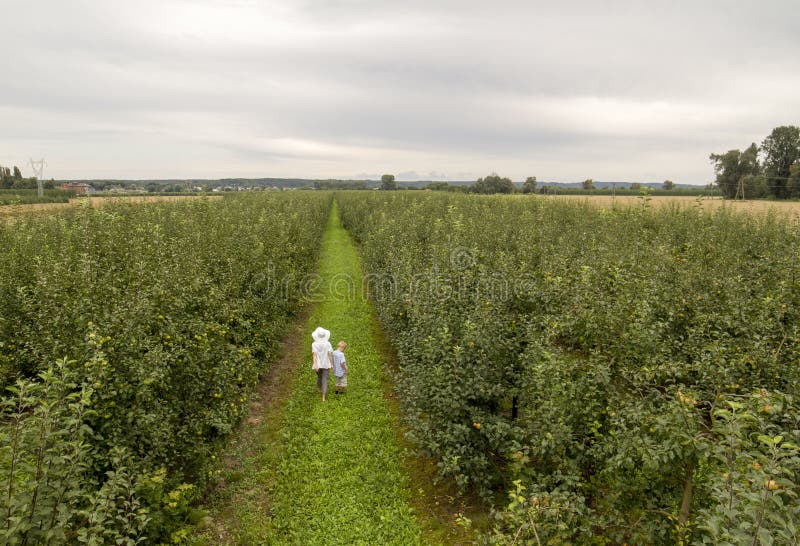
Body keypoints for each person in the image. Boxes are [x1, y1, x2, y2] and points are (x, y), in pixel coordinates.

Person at [311, 326, 333, 402]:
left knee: (319, 377)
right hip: (326, 364)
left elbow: (314, 355)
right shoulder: (328, 344)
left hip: (318, 365)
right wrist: (332, 364)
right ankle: (323, 397)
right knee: (325, 380)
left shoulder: (314, 344)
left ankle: (318, 387)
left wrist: (315, 364)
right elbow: (330, 354)